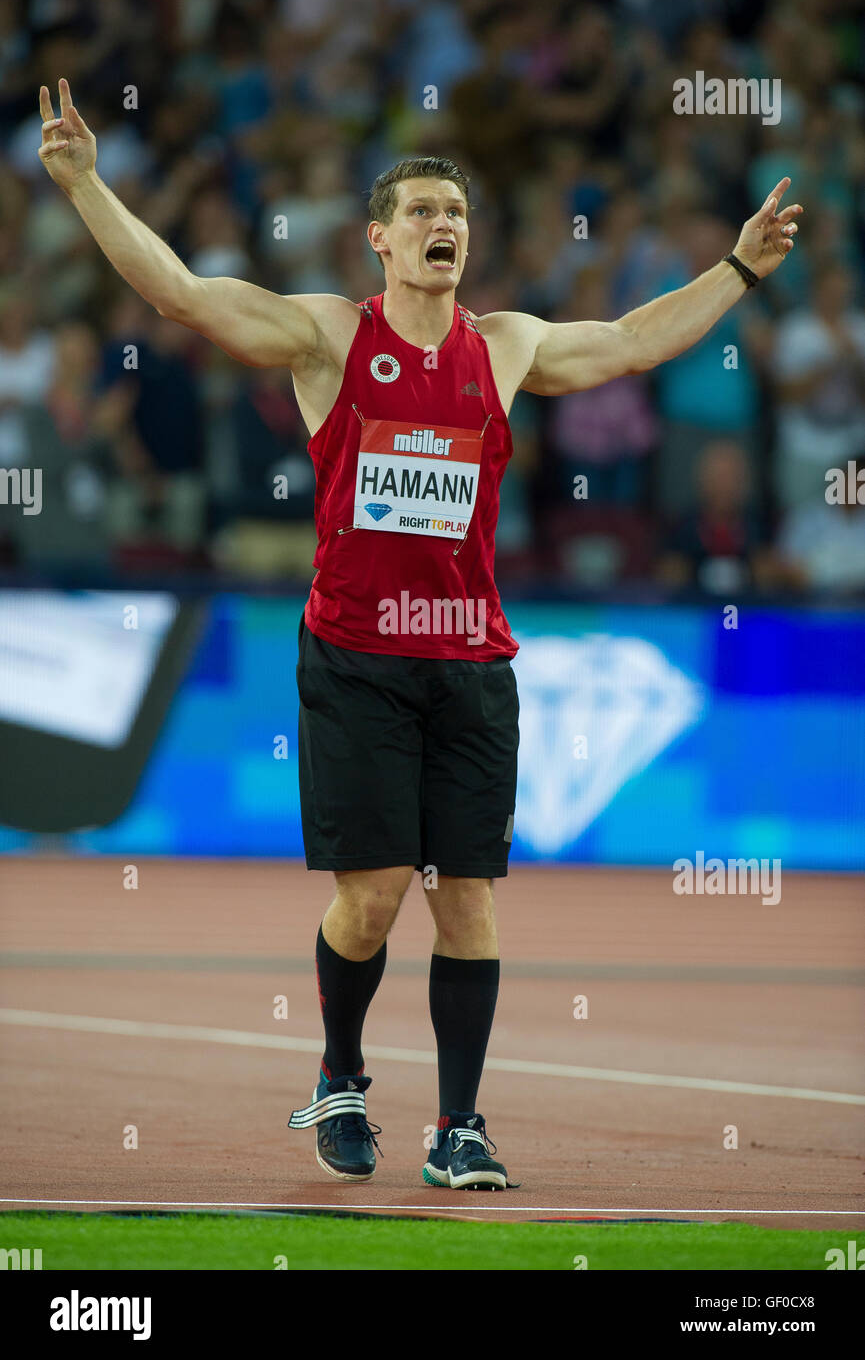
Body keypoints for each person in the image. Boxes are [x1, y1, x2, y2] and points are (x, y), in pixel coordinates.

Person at [38, 77, 803, 1191]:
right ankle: (342, 1074)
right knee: (373, 894)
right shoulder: (324, 337)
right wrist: (87, 185)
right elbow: (184, 296)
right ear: (379, 242)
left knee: (469, 896)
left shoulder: (503, 347)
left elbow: (633, 342)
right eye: (423, 214)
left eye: (456, 214)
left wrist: (735, 270)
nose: (444, 227)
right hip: (354, 655)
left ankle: (459, 1127)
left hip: (472, 660)